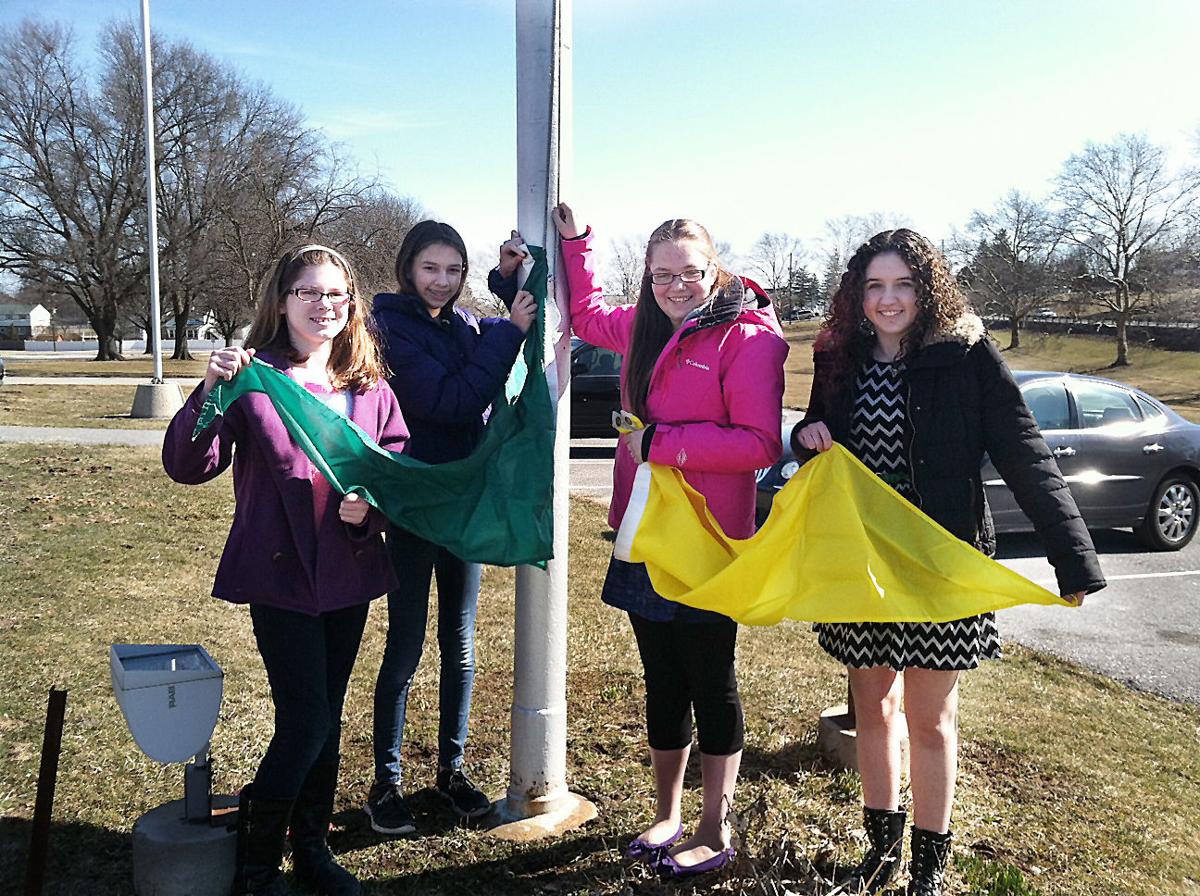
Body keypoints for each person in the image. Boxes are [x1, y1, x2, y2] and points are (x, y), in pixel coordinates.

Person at [791, 229, 1105, 896]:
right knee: (872, 708)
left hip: (943, 561)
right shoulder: (839, 355)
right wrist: (803, 434)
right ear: (858, 294)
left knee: (930, 720)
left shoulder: (966, 357)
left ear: (927, 288)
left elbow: (1025, 451)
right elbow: (817, 431)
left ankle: (927, 870)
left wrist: (1073, 557)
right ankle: (879, 857)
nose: (888, 299)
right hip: (863, 564)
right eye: (874, 286)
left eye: (903, 284)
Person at [163, 244, 408, 896]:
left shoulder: (369, 387)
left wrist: (374, 509)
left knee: (326, 714)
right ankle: (256, 864)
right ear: (282, 301)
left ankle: (314, 853)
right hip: (281, 576)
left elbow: (395, 471)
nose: (324, 305)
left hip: (348, 575)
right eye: (309, 292)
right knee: (306, 721)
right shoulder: (255, 377)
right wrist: (210, 389)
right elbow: (189, 466)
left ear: (350, 304)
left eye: (336, 294)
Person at [553, 202, 789, 878]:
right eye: (661, 275)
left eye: (689, 272)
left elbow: (757, 445)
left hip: (709, 541)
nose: (676, 285)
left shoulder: (749, 338)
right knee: (660, 678)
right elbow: (591, 315)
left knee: (710, 680)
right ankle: (667, 814)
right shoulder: (647, 326)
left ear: (713, 269)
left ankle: (714, 825)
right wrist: (578, 243)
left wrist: (660, 444)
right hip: (642, 532)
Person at [364, 221, 537, 834]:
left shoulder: (458, 323)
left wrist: (505, 280)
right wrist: (510, 334)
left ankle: (451, 771)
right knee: (406, 643)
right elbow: (450, 402)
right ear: (408, 268)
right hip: (416, 502)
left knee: (459, 644)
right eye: (431, 268)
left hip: (463, 499)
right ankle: (386, 784)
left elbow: (486, 336)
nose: (442, 281)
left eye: (454, 271)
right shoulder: (388, 328)